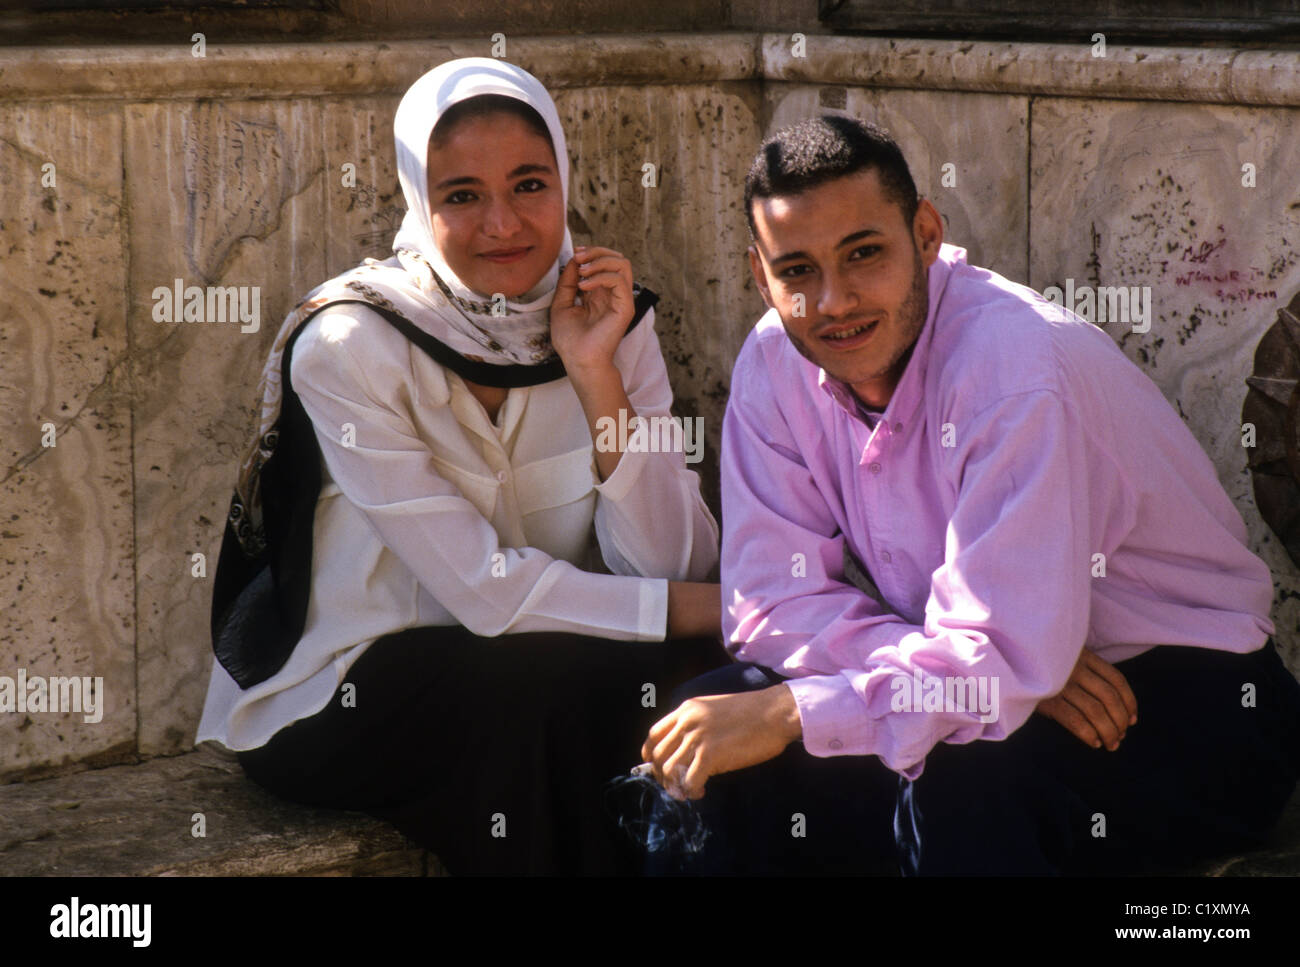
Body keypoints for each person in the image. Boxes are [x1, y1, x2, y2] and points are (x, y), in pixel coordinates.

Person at [637, 114, 1300, 875]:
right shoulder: (773, 364)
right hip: (995, 664)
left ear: (924, 232)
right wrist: (979, 669)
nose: (833, 301)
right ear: (762, 276)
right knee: (711, 735)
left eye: (863, 253)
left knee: (958, 781)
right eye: (797, 272)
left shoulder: (1010, 367)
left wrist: (803, 710)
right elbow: (767, 609)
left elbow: (999, 661)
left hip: (1187, 698)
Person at [195, 58, 724, 875]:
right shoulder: (351, 344)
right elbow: (487, 596)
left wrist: (594, 373)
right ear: (419, 199)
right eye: (462, 195)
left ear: (564, 182)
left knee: (679, 690)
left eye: (529, 185)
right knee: (538, 697)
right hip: (347, 693)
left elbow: (669, 559)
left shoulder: (611, 319)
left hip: (543, 667)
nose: (503, 224)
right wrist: (711, 608)